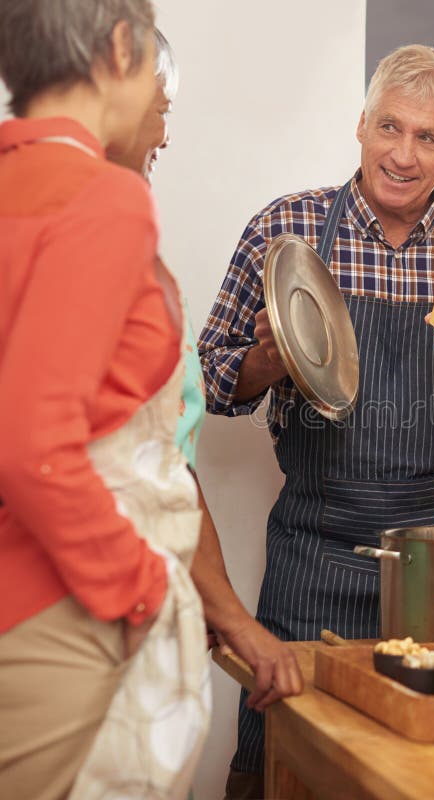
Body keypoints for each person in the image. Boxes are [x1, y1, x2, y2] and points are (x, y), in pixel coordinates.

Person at [199, 43, 434, 795]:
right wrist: (272, 359)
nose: (403, 154)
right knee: (286, 754)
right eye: (390, 128)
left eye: (428, 137)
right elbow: (208, 378)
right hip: (315, 550)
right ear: (361, 125)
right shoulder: (289, 231)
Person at [0, 2, 209, 797]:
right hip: (57, 607)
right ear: (123, 46)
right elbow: (30, 442)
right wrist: (139, 584)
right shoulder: (103, 198)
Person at [108, 26, 303, 713]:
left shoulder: (136, 249)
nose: (165, 133)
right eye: (161, 108)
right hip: (92, 606)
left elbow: (171, 465)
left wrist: (213, 605)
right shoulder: (90, 249)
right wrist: (240, 621)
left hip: (151, 588)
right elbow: (139, 467)